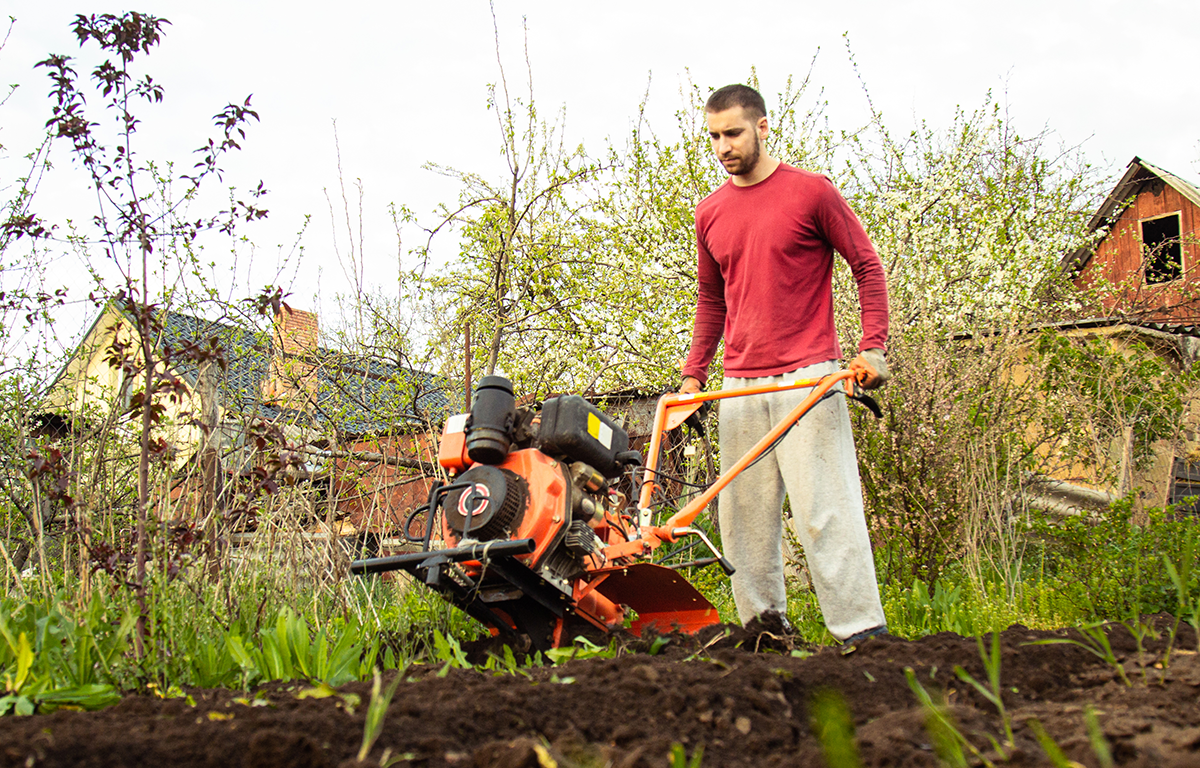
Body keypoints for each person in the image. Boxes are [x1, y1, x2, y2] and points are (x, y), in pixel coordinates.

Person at [679, 83, 889, 644]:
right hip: (739, 386)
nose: (723, 146)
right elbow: (711, 299)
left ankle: (860, 631)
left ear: (763, 127)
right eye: (714, 136)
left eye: (733, 133)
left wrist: (873, 346)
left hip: (809, 377)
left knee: (826, 510)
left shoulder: (811, 193)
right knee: (743, 522)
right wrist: (694, 374)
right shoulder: (711, 213)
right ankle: (764, 632)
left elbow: (866, 266)